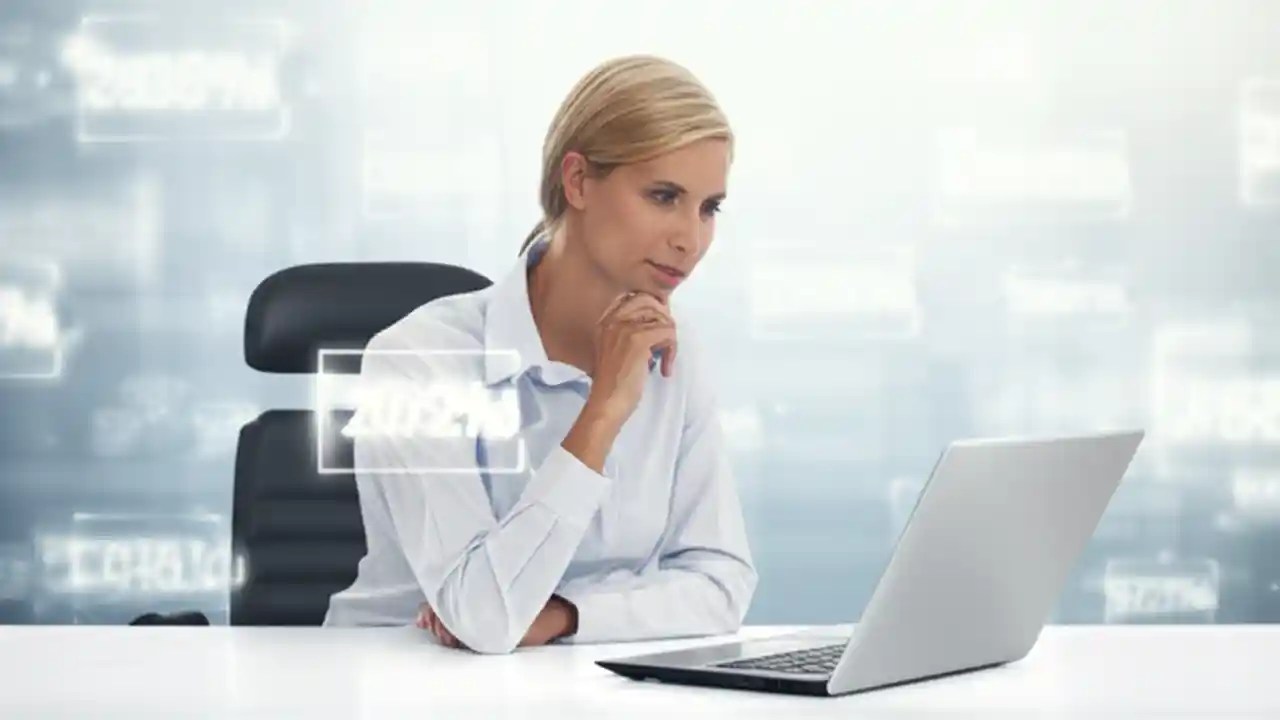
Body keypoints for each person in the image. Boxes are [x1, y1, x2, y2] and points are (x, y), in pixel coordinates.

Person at [324, 54, 756, 654]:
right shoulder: (418, 359)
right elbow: (482, 616)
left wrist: (563, 614)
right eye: (663, 196)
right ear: (577, 181)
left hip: (568, 684)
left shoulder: (675, 354)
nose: (690, 238)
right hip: (394, 683)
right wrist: (603, 410)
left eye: (709, 208)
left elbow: (721, 583)